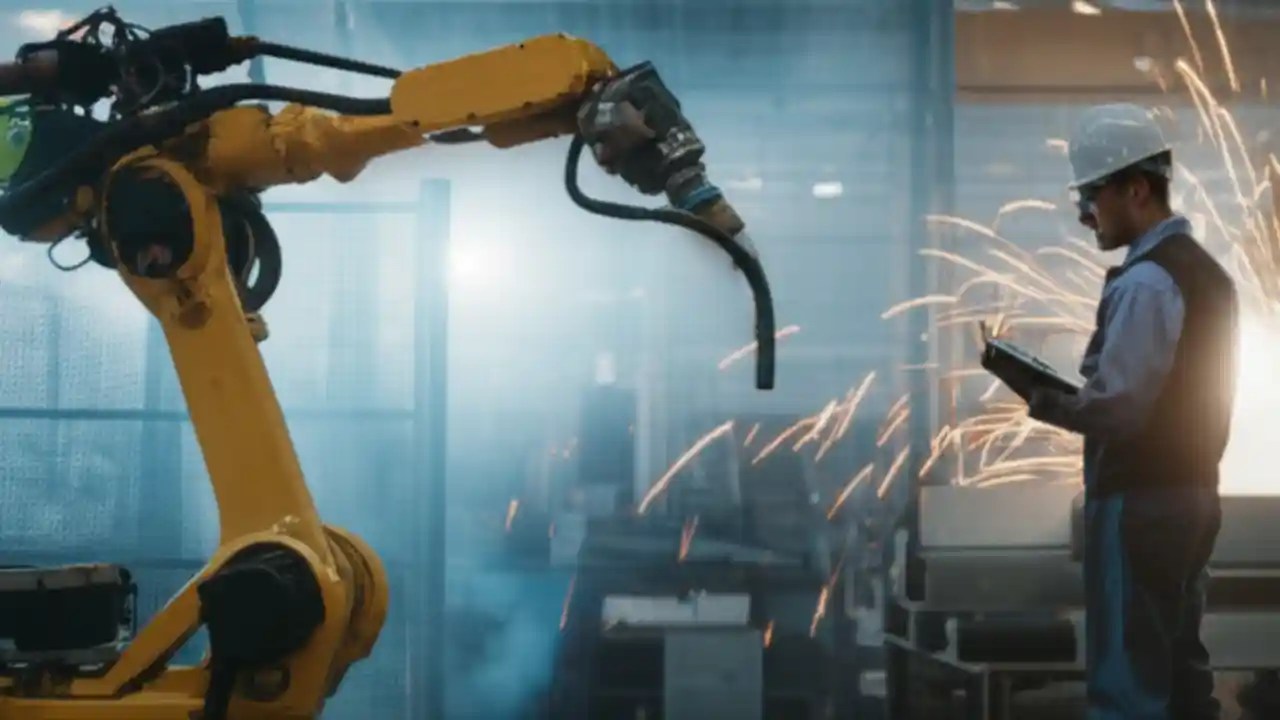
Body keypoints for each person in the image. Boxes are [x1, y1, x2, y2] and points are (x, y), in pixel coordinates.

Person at [1027, 103, 1238, 719]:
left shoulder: (1147, 281)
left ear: (1136, 189)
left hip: (1139, 502)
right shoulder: (1209, 275)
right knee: (1178, 676)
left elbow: (1119, 408)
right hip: (1193, 496)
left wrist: (1050, 403)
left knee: (1127, 686)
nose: (1083, 213)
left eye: (1092, 194)